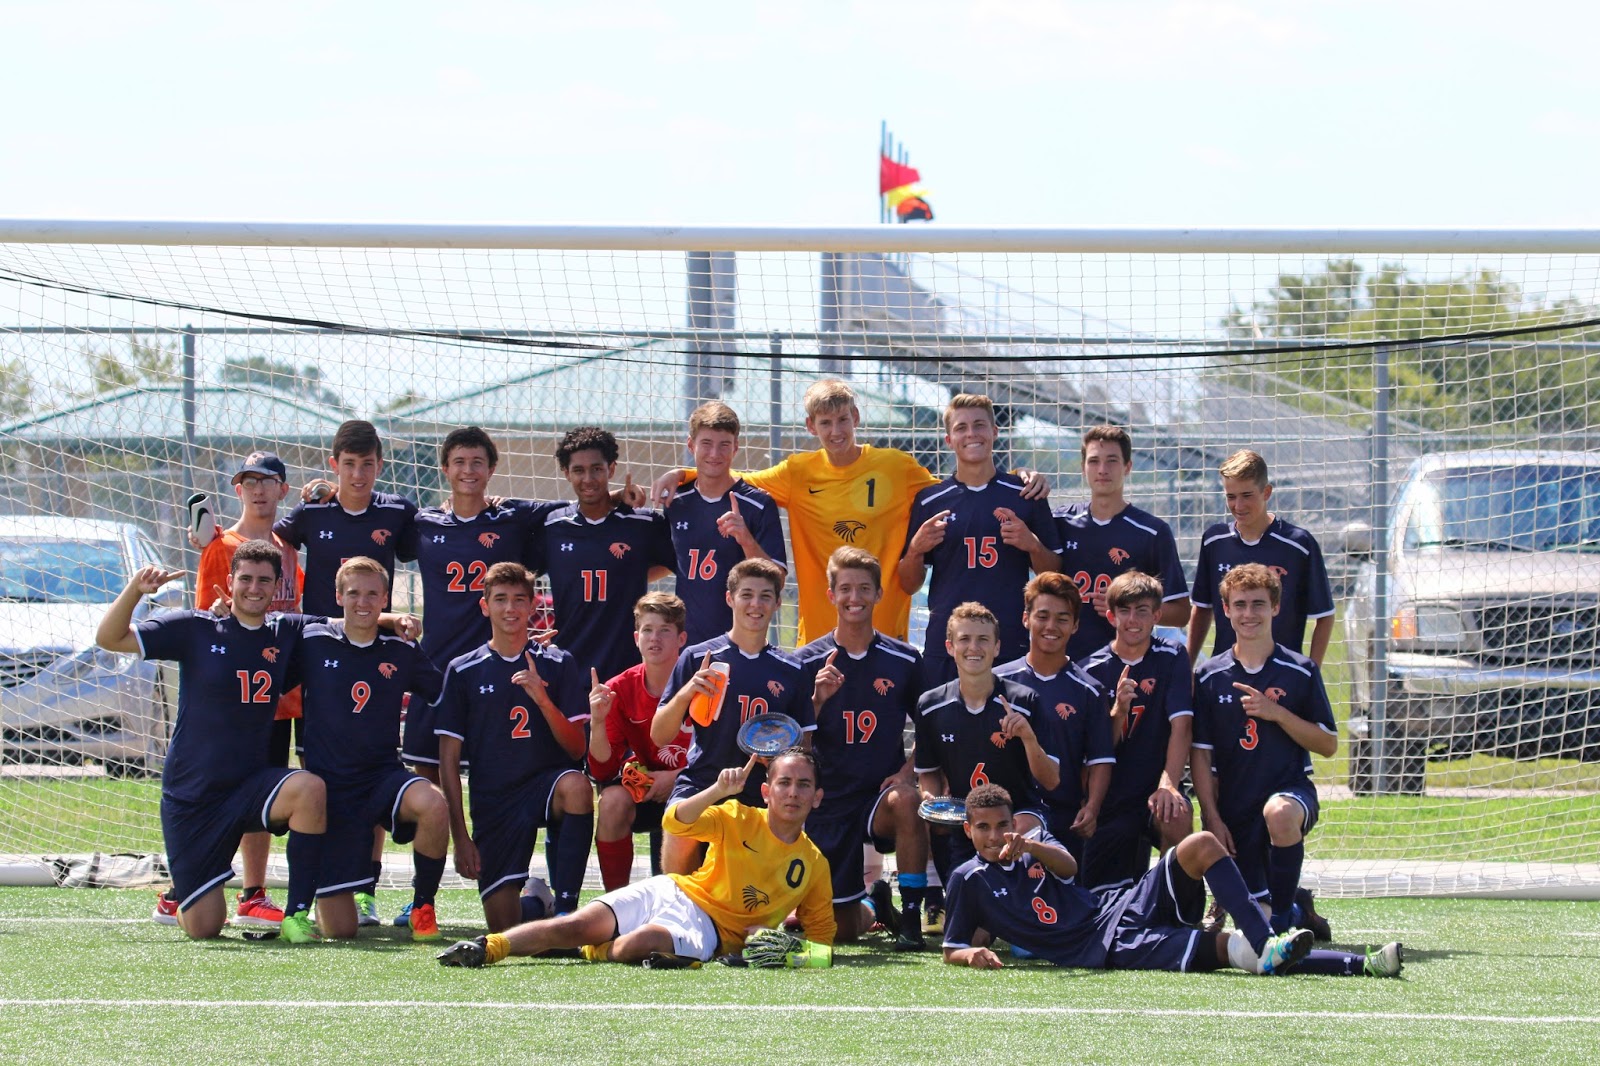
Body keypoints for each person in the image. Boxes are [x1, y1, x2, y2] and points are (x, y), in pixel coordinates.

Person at [652, 378, 1048, 644]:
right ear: (811, 426)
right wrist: (682, 472)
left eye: (843, 419)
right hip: (821, 634)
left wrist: (1018, 478)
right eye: (826, 422)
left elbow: (963, 488)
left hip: (885, 632)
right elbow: (734, 475)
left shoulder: (896, 467)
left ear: (856, 418)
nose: (836, 430)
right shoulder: (795, 472)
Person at [96, 540, 326, 943]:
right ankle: (183, 896)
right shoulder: (195, 627)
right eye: (246, 579)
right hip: (194, 794)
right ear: (230, 581)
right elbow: (109, 639)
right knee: (204, 928)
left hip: (248, 786)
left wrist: (395, 620)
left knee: (309, 788)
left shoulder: (288, 630)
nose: (254, 588)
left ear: (277, 587)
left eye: (264, 581)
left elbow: (350, 624)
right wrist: (135, 589)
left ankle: (298, 914)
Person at [940, 784, 1401, 978]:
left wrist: (1031, 845)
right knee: (1232, 955)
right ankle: (1363, 965)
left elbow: (1070, 868)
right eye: (983, 827)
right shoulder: (969, 878)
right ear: (968, 829)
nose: (995, 835)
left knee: (1199, 842)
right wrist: (971, 954)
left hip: (1118, 905)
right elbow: (951, 946)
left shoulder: (1030, 844)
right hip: (1102, 947)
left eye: (1002, 824)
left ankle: (1267, 940)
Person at [436, 747, 836, 968]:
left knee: (635, 945)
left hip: (712, 931)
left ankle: (590, 950)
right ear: (766, 792)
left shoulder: (814, 865)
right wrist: (716, 791)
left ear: (817, 798)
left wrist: (787, 948)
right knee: (576, 923)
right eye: (784, 782)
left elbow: (823, 945)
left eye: (804, 785)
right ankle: (487, 948)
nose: (793, 793)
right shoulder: (737, 815)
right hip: (675, 891)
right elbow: (674, 823)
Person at [274, 419, 418, 925]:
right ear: (334, 466)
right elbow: (269, 537)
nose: (359, 474)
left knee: (373, 763)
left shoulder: (398, 512)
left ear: (380, 466)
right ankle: (304, 890)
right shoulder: (312, 511)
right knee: (318, 771)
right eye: (349, 465)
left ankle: (365, 888)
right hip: (320, 652)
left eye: (368, 464)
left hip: (372, 650)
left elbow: (439, 543)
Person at [296, 557, 450, 942]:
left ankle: (422, 906)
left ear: (385, 599)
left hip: (382, 777)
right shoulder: (310, 639)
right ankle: (326, 889)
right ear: (338, 596)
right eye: (353, 593)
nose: (362, 602)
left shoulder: (401, 651)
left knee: (434, 804)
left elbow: (447, 695)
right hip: (329, 790)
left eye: (371, 594)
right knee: (341, 931)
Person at [434, 562, 593, 929]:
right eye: (501, 599)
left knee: (577, 786)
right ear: (485, 605)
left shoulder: (557, 662)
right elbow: (448, 760)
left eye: (519, 600)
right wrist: (461, 835)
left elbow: (576, 751)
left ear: (533, 605)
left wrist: (542, 700)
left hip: (545, 786)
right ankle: (540, 902)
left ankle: (567, 910)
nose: (510, 609)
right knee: (504, 927)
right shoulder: (463, 669)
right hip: (495, 799)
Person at [188, 449, 306, 931]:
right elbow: (205, 620)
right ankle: (195, 881)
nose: (258, 489)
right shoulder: (222, 546)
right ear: (237, 490)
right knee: (228, 788)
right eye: (248, 481)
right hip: (241, 697)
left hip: (288, 693)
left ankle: (255, 890)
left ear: (283, 489)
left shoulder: (292, 545)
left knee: (273, 791)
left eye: (268, 481)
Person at [1191, 564, 1337, 938]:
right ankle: (1297, 910)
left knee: (1280, 812)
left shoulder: (1300, 670)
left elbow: (1328, 745)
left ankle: (1286, 914)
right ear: (1225, 610)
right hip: (1236, 811)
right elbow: (1202, 756)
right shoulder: (1209, 676)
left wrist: (1278, 714)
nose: (1248, 614)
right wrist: (1211, 816)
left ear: (1275, 607)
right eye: (1239, 605)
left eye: (1258, 604)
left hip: (1290, 791)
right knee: (1253, 919)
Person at [798, 547, 928, 948]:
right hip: (828, 799)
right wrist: (816, 702)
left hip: (878, 795)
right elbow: (794, 750)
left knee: (908, 800)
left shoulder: (904, 659)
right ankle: (874, 905)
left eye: (864, 589)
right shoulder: (806, 661)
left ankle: (911, 920)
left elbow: (933, 727)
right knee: (838, 934)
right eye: (846, 589)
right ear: (830, 594)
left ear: (878, 595)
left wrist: (906, 773)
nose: (855, 598)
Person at [652, 558, 812, 875]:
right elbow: (660, 735)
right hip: (701, 781)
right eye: (747, 594)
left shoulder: (793, 669)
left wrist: (780, 757)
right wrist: (687, 692)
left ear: (778, 602)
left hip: (761, 791)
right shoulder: (699, 657)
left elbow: (803, 745)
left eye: (766, 595)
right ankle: (673, 911)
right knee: (678, 828)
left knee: (747, 896)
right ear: (730, 598)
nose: (756, 604)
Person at [898, 393, 1061, 688]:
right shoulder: (930, 500)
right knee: (940, 731)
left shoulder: (1025, 493)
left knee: (1010, 731)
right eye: (961, 428)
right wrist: (915, 550)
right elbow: (908, 584)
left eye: (979, 425)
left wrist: (1032, 544)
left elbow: (1055, 573)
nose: (971, 434)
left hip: (1009, 642)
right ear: (949, 439)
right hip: (948, 644)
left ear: (994, 432)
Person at [913, 601, 1059, 878]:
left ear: (997, 647)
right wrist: (930, 797)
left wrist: (1028, 738)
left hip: (1018, 813)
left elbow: (1051, 780)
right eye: (964, 639)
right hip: (964, 819)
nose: (973, 648)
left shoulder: (1024, 701)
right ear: (949, 647)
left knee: (1020, 828)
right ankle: (925, 900)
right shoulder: (930, 705)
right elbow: (928, 773)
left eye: (983, 640)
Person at [1079, 571, 1195, 891]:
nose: (1133, 620)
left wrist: (1170, 782)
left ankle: (1177, 906)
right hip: (1110, 797)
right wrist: (1119, 712)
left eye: (1142, 611)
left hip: (1153, 790)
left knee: (1176, 813)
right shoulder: (1090, 670)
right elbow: (1099, 751)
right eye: (1125, 611)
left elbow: (1181, 725)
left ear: (1157, 615)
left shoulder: (1172, 657)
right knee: (1101, 898)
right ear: (1111, 614)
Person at [534, 426, 675, 686]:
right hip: (570, 664)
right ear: (566, 473)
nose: (588, 478)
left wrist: (631, 572)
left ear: (611, 469)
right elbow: (520, 576)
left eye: (596, 469)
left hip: (631, 666)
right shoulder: (552, 527)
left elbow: (674, 563)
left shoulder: (643, 524)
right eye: (578, 470)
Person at [993, 573, 1116, 864]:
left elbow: (1100, 759)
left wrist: (1093, 807)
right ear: (1026, 619)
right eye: (1043, 616)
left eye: (1062, 619)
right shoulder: (996, 681)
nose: (1051, 627)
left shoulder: (1089, 690)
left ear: (1075, 625)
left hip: (1064, 817)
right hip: (1003, 815)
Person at [1187, 449, 1335, 666]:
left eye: (1247, 495)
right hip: (1226, 677)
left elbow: (1325, 615)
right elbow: (1201, 608)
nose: (1238, 506)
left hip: (1282, 678)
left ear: (1266, 492)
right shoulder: (1214, 541)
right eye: (1231, 496)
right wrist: (1188, 668)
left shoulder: (1298, 544)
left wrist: (1309, 675)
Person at [586, 592, 692, 891]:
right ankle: (616, 904)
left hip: (692, 788)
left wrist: (674, 778)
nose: (654, 638)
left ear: (681, 638)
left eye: (665, 630)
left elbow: (716, 756)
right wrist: (596, 721)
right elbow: (602, 770)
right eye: (647, 629)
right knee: (612, 802)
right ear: (636, 637)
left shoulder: (698, 683)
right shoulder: (619, 688)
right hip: (645, 791)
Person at [1054, 426, 1189, 661]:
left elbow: (1180, 613)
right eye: (1094, 461)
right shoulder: (1059, 522)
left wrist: (1127, 605)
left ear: (1127, 467)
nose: (1103, 470)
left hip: (1128, 665)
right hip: (1067, 663)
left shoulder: (1152, 532)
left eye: (1112, 461)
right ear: (1083, 468)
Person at [665, 401, 787, 644]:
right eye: (706, 444)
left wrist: (745, 539)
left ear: (735, 448)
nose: (714, 454)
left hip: (740, 643)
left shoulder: (758, 504)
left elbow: (778, 578)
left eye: (724, 445)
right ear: (691, 446)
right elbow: (664, 560)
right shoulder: (676, 501)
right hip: (685, 645)